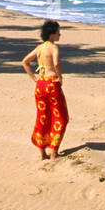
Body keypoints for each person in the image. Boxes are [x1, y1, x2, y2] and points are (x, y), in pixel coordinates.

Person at [22, 20, 67, 159]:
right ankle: (54, 151)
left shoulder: (39, 48)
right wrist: (60, 77)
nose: (60, 34)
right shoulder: (53, 47)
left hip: (40, 84)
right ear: (52, 34)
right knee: (61, 117)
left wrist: (34, 78)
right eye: (58, 32)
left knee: (43, 117)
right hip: (52, 84)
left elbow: (25, 62)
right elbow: (55, 63)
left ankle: (42, 152)